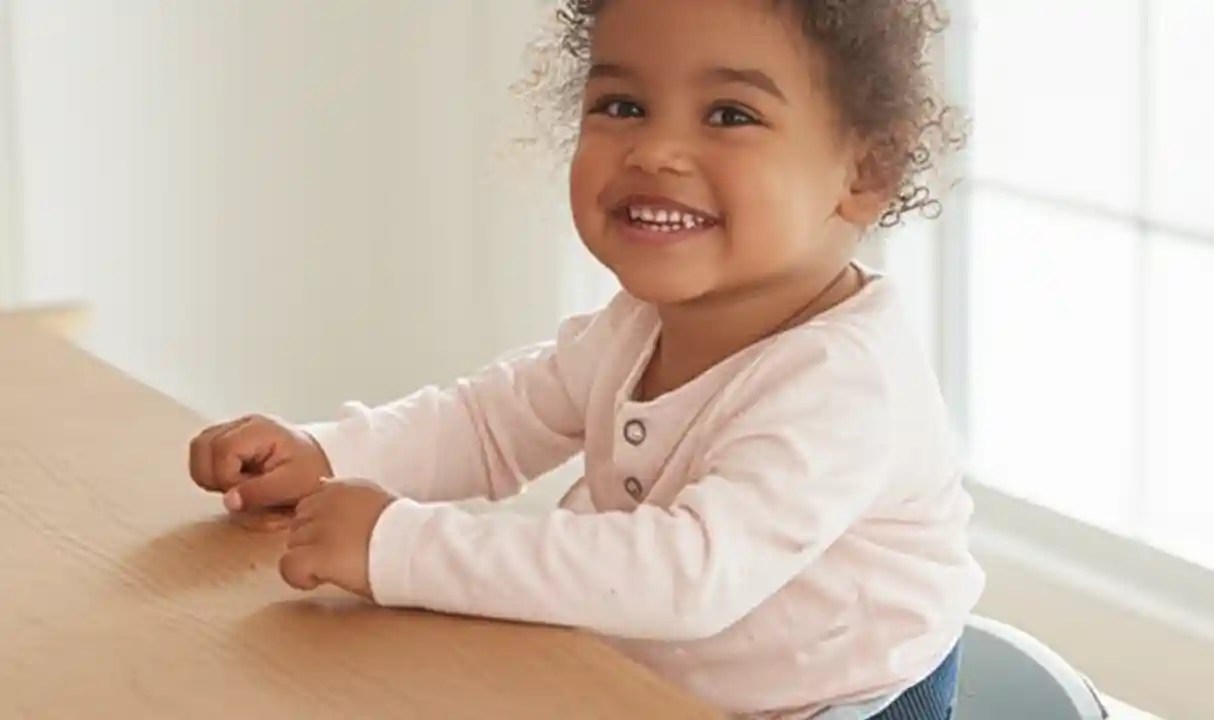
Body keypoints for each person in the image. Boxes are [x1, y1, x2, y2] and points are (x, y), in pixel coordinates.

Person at [188, 1, 983, 717]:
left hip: (834, 700)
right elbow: (489, 423)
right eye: (622, 105)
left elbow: (686, 576)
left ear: (865, 172)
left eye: (730, 113)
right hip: (663, 668)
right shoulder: (641, 322)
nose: (656, 150)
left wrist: (400, 546)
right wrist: (328, 453)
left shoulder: (845, 387)